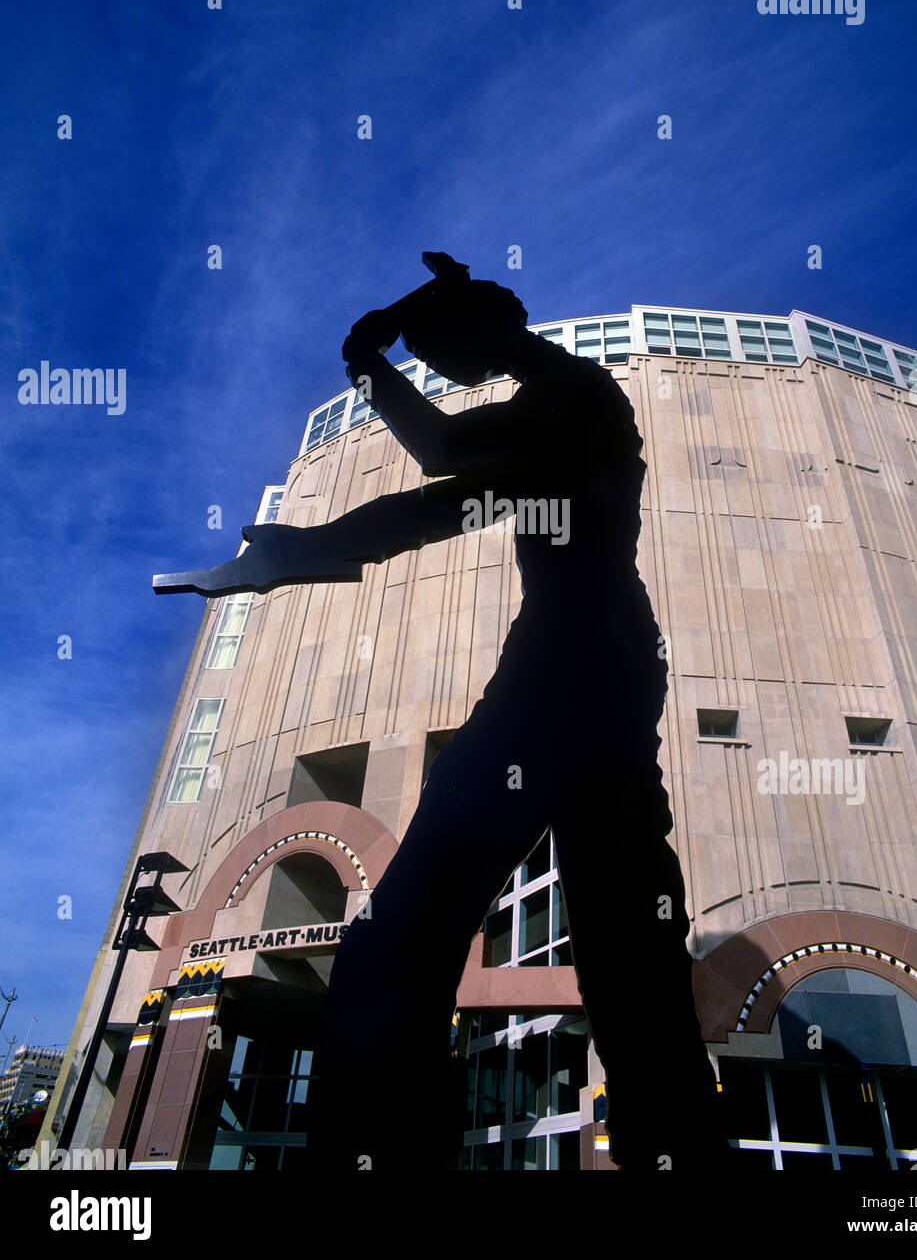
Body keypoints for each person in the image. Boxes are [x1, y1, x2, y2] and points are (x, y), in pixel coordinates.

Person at [155, 255, 727, 1170]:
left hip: (567, 667)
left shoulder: (575, 395)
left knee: (404, 944)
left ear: (484, 330)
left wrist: (371, 367)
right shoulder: (559, 419)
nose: (442, 377)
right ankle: (684, 1149)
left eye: (438, 355)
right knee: (628, 951)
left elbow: (448, 464)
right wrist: (294, 553)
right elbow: (446, 505)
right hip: (595, 663)